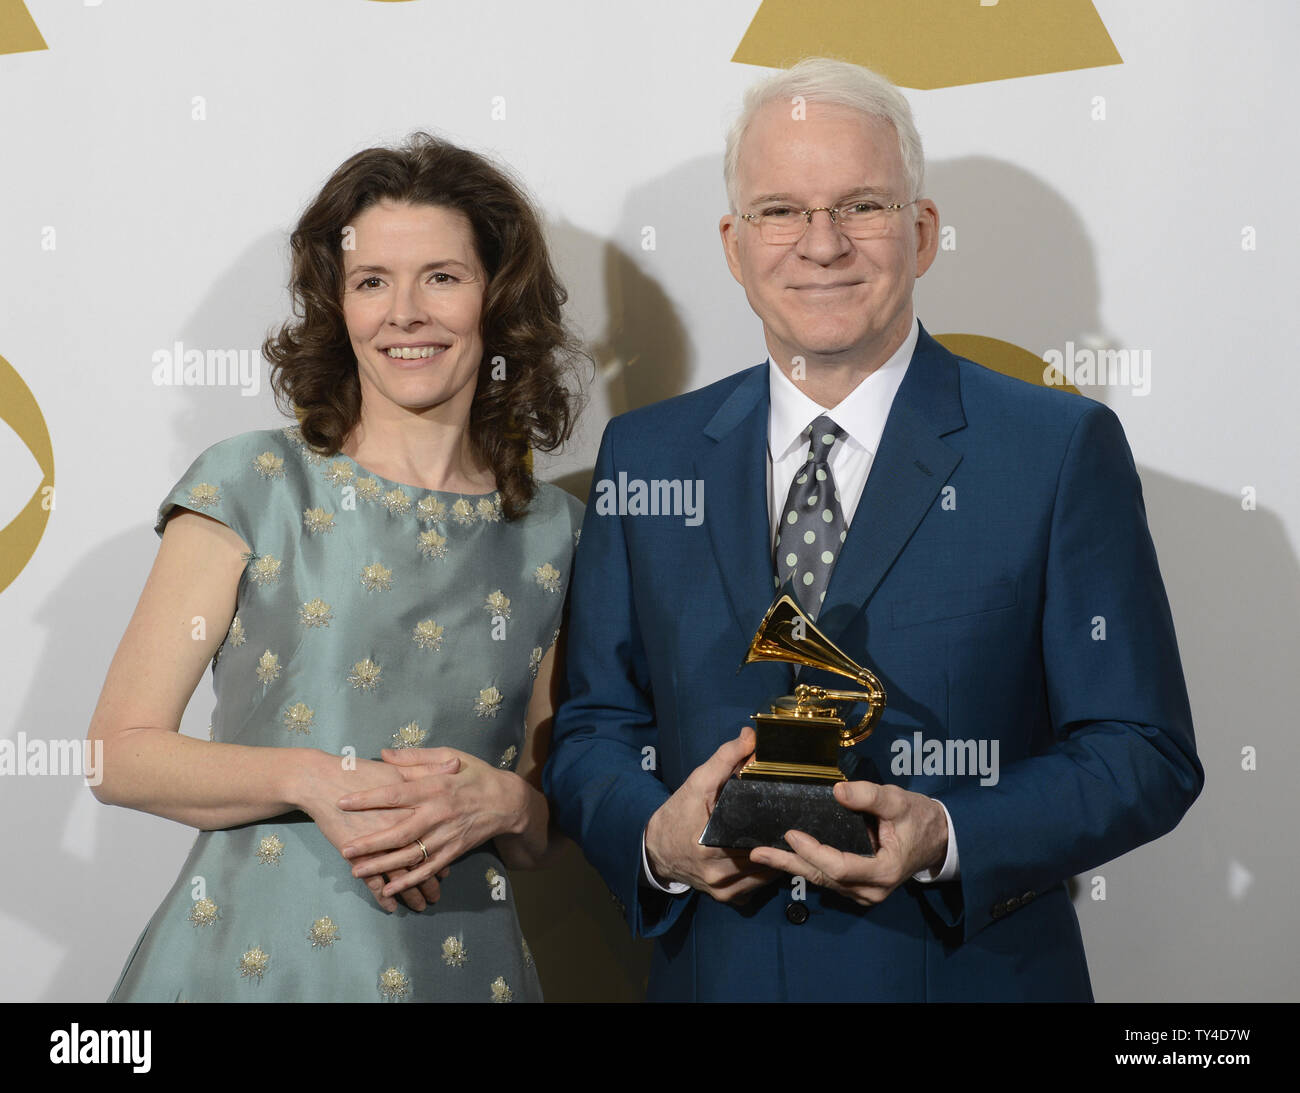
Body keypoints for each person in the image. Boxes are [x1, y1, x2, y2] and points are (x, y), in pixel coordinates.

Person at [543, 58, 1204, 1001]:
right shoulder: (646, 456)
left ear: (922, 231)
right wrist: (656, 838)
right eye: (781, 211)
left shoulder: (1056, 449)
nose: (823, 245)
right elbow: (592, 730)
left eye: (862, 205)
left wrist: (947, 833)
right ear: (734, 245)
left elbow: (1143, 748)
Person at [90, 132, 585, 1002]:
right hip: (253, 962)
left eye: (442, 276)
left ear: (498, 298)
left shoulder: (557, 533)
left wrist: (506, 801)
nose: (404, 313)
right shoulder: (250, 483)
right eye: (371, 281)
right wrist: (312, 776)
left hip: (462, 968)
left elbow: (543, 826)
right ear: (338, 304)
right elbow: (118, 754)